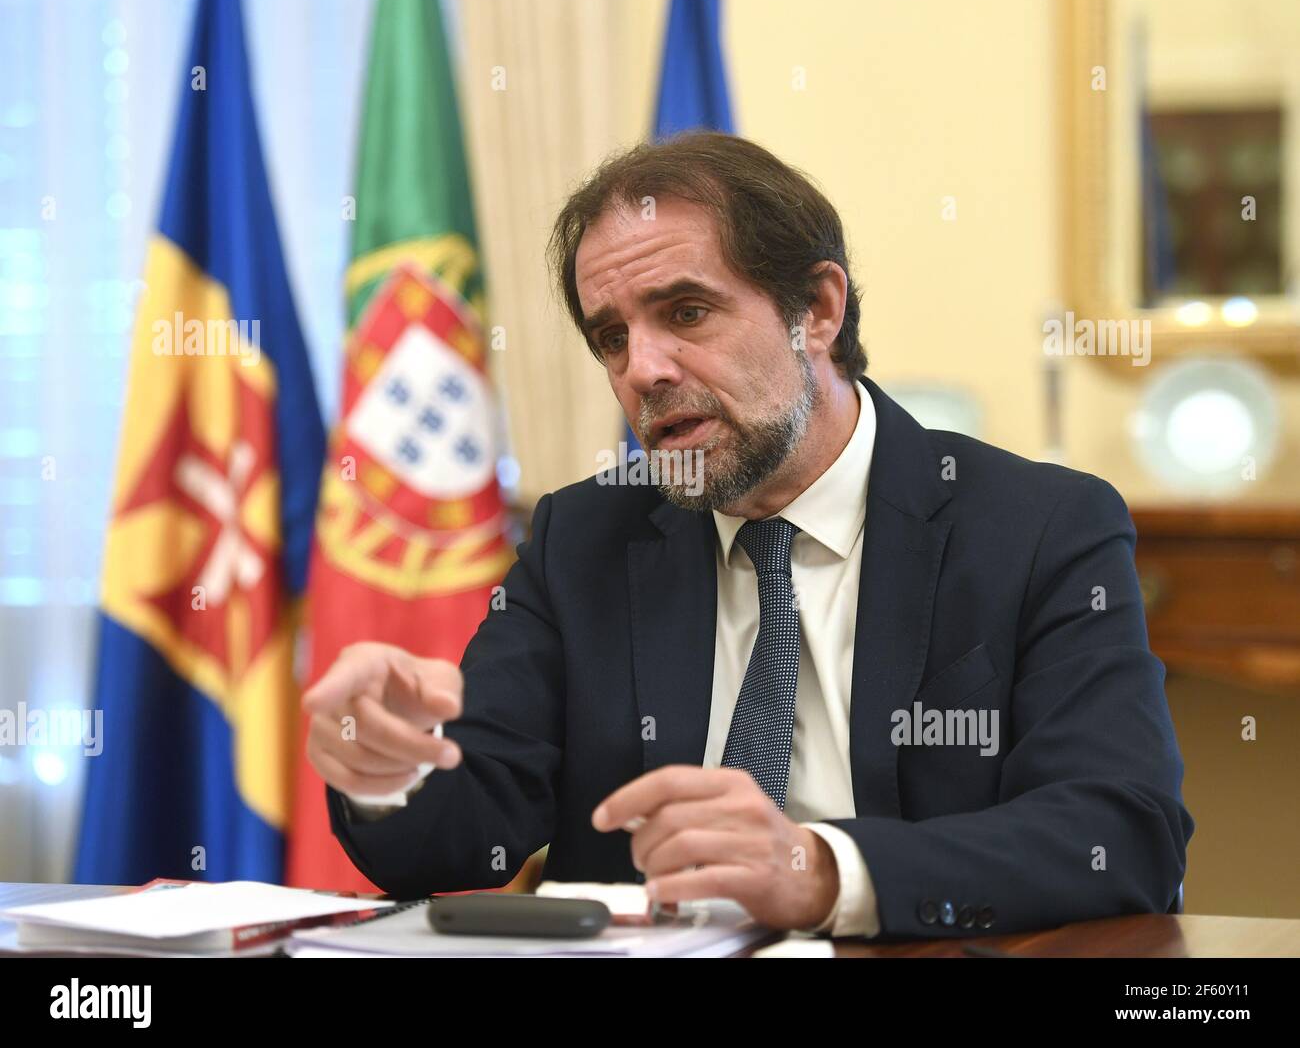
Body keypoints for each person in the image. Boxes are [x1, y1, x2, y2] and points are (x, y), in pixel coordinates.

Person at [303, 132, 1192, 938]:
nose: (644, 369)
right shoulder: (583, 537)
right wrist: (388, 768)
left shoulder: (1037, 527)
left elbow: (1118, 831)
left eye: (686, 312)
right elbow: (463, 839)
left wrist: (818, 870)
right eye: (613, 337)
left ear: (818, 309)